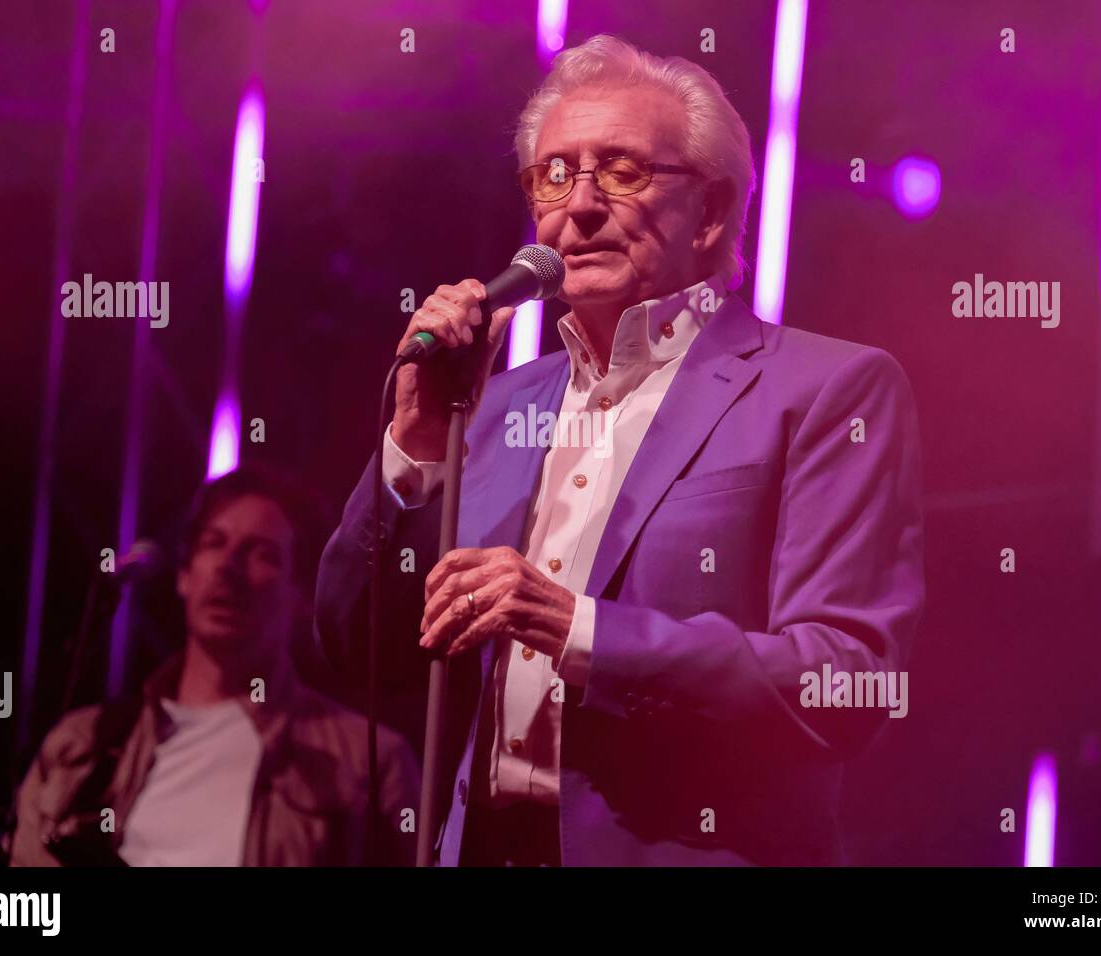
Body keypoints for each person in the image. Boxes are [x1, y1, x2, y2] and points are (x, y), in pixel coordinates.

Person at [316, 34, 924, 866]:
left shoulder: (825, 390)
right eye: (554, 174)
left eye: (624, 171)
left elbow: (849, 683)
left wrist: (581, 630)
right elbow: (355, 646)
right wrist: (415, 445)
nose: (581, 204)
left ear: (710, 212)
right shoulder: (489, 406)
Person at [12, 465, 419, 866]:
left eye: (262, 553)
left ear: (299, 594)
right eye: (214, 543)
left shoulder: (369, 763)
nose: (228, 567)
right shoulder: (80, 745)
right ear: (184, 575)